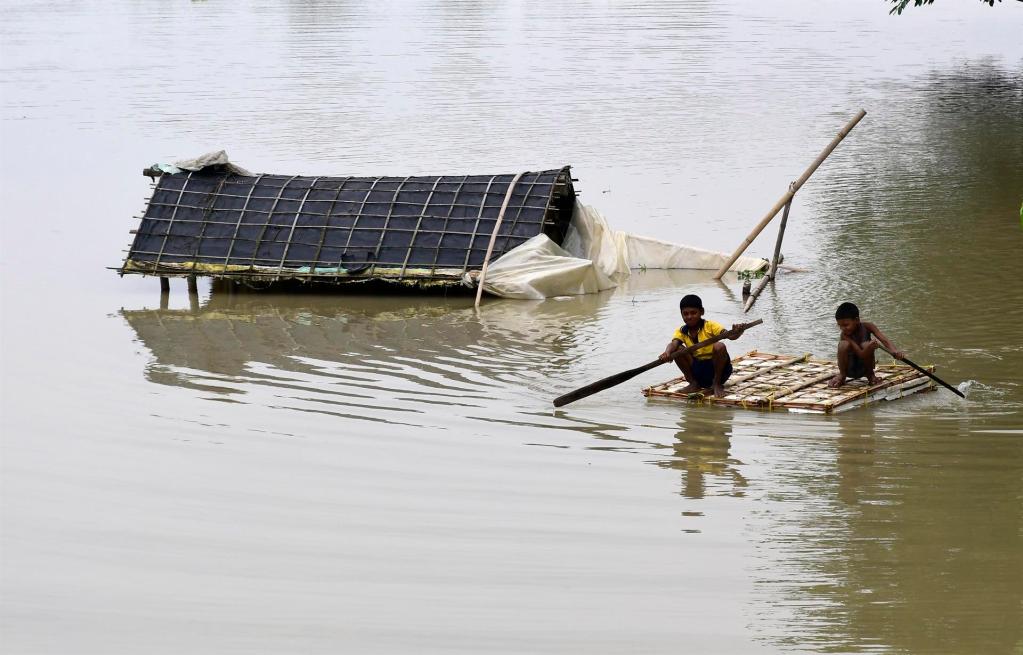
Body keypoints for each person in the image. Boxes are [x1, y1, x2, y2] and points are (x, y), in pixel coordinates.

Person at [659, 294, 744, 397]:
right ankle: (693, 384)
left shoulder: (711, 326)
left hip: (718, 371)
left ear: (702, 312)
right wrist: (667, 352)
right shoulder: (681, 331)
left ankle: (716, 384)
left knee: (719, 346)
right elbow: (674, 343)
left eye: (693, 313)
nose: (689, 317)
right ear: (681, 315)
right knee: (677, 349)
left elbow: (730, 336)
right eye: (685, 314)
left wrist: (737, 332)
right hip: (698, 371)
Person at [828, 302, 904, 388]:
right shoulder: (844, 335)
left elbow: (884, 340)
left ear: (857, 320)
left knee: (865, 344)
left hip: (865, 369)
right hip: (850, 369)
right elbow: (861, 354)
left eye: (846, 325)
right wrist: (870, 347)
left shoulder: (869, 327)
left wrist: (895, 352)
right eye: (840, 326)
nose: (842, 328)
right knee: (843, 345)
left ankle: (870, 375)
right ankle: (842, 376)